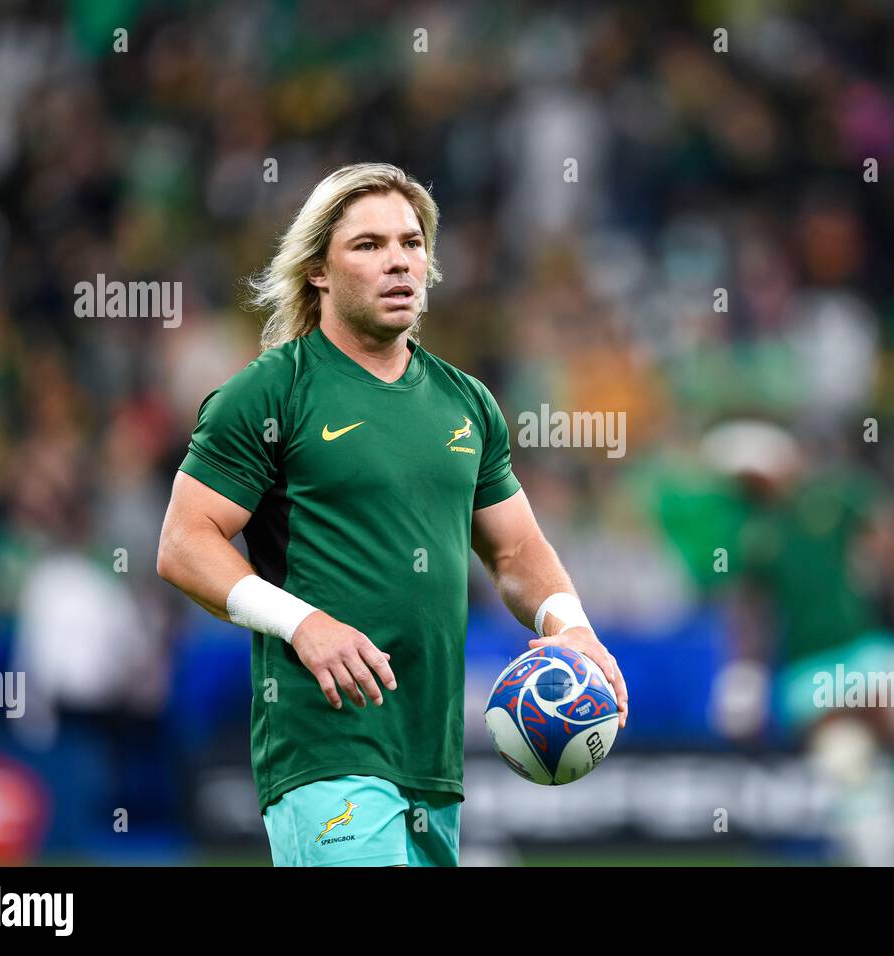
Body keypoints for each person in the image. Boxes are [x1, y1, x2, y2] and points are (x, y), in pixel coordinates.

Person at [156, 162, 628, 866]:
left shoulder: (466, 403)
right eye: (369, 245)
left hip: (430, 757)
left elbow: (514, 551)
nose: (400, 261)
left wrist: (575, 628)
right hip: (324, 743)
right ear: (317, 269)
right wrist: (304, 624)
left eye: (412, 242)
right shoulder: (270, 394)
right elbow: (184, 544)